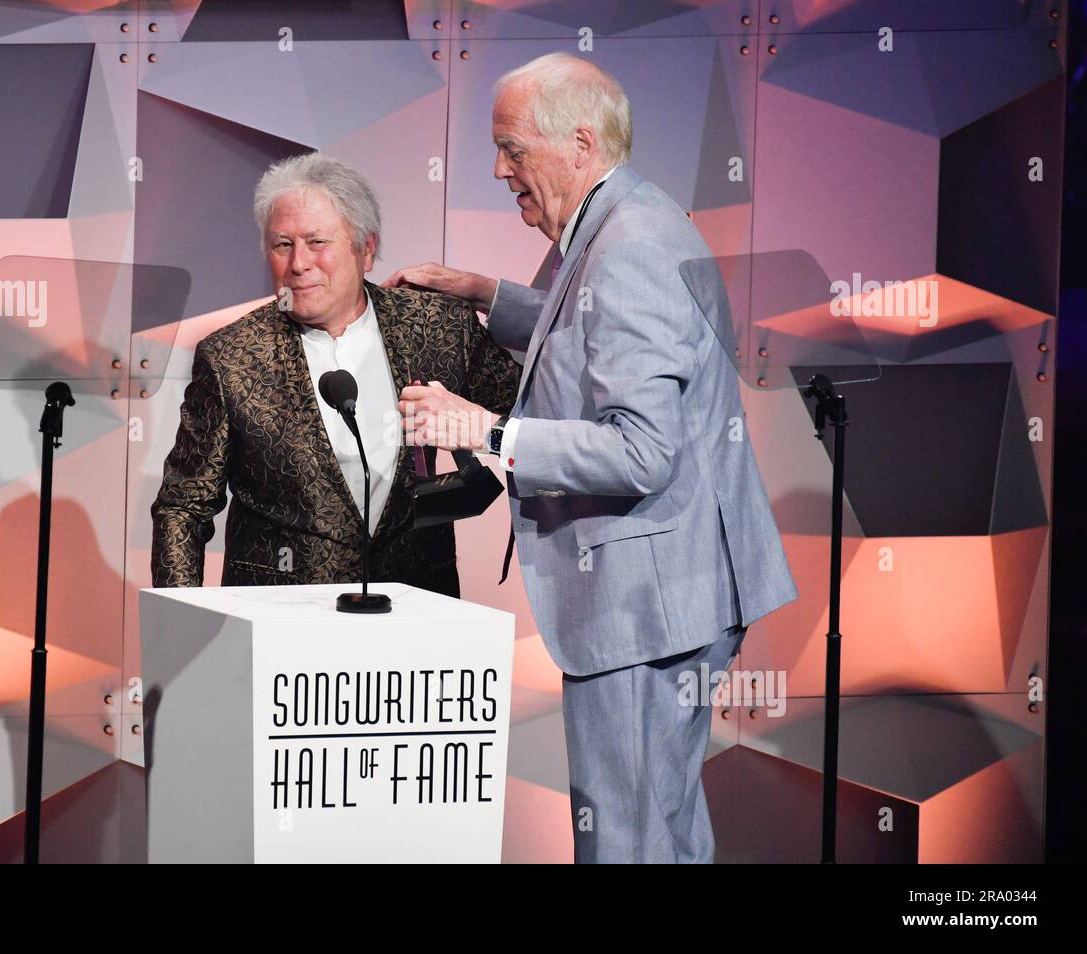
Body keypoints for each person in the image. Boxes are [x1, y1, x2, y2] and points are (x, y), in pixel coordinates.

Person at [385, 53, 797, 862]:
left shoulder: (630, 242)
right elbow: (591, 326)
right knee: (656, 829)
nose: (500, 169)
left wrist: (483, 430)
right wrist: (484, 292)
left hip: (649, 604)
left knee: (627, 840)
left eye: (513, 148)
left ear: (578, 142)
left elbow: (642, 451)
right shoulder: (626, 216)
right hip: (664, 589)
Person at [151, 153, 520, 597]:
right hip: (282, 624)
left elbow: (533, 411)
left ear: (365, 249)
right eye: (281, 244)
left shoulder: (438, 327)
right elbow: (183, 506)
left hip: (415, 611)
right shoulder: (231, 356)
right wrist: (181, 633)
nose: (298, 263)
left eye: (316, 242)